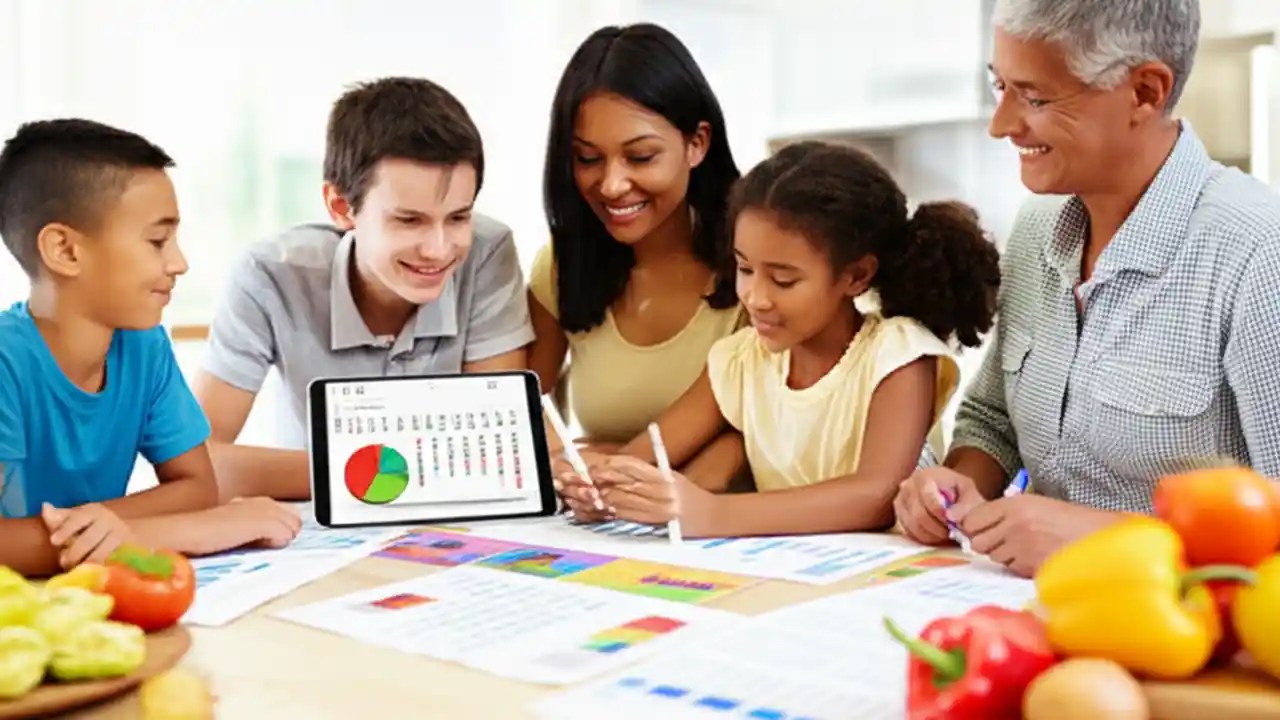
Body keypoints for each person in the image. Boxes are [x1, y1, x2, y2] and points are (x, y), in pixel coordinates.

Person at [895, 0, 1280, 577]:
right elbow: (993, 417)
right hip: (1034, 609)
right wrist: (955, 487)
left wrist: (1102, 536)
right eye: (999, 85)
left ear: (1145, 92)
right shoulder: (1037, 227)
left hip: (1193, 639)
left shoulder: (1257, 252)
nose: (1001, 124)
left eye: (1035, 97)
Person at [560, 141, 1001, 536]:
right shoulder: (739, 360)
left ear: (856, 275)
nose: (754, 297)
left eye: (784, 280)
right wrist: (600, 485)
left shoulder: (897, 353)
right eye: (745, 269)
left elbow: (874, 495)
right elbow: (646, 455)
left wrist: (714, 514)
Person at [195, 77, 534, 501]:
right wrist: (377, 471)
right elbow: (194, 464)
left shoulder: (487, 253)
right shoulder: (269, 276)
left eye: (458, 217)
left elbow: (499, 448)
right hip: (316, 530)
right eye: (408, 220)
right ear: (341, 207)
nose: (439, 248)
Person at [0, 119, 301, 577]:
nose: (178, 263)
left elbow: (196, 486)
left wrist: (110, 530)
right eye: (157, 241)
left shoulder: (143, 345)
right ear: (65, 250)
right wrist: (186, 532)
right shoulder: (7, 361)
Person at [529, 23, 747, 500]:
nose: (611, 185)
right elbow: (522, 409)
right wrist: (565, 461)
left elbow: (757, 436)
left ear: (697, 143)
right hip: (617, 520)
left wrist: (620, 462)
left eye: (641, 157)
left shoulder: (759, 264)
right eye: (587, 158)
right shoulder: (563, 266)